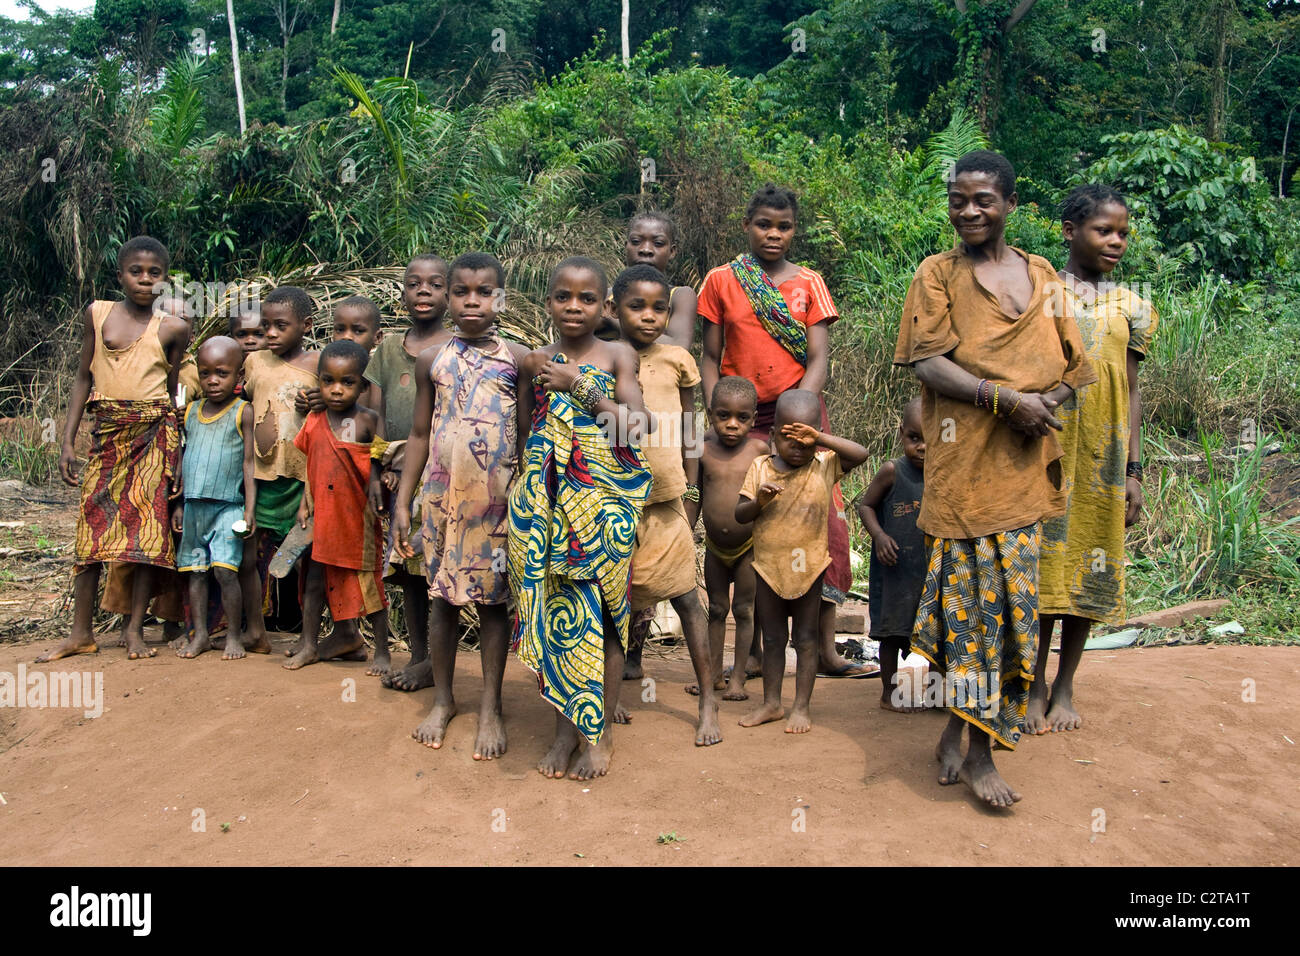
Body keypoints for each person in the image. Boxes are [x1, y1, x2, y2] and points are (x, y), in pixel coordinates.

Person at [893, 150, 1096, 807]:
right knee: (972, 616)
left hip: (1023, 473)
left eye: (983, 200)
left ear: (1011, 203)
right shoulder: (936, 275)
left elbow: (1074, 366)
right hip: (962, 475)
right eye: (958, 200)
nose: (969, 211)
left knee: (1009, 613)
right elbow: (928, 362)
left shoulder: (1041, 274)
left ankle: (962, 734)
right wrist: (1006, 401)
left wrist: (1046, 407)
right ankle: (979, 753)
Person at [697, 183, 866, 678]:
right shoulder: (722, 281)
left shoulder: (809, 283)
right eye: (764, 224)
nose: (774, 234)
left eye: (784, 226)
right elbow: (710, 357)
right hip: (740, 416)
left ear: (795, 230)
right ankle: (754, 653)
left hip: (799, 413)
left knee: (822, 517)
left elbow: (818, 359)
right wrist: (722, 412)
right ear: (747, 224)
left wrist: (801, 416)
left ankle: (826, 646)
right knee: (756, 513)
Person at [509, 256, 652, 781]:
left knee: (607, 613)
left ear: (605, 306)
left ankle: (601, 732)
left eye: (587, 298)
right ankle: (564, 731)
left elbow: (636, 428)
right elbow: (530, 438)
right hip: (546, 505)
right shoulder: (532, 362)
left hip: (606, 507)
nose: (574, 307)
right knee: (554, 615)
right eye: (562, 297)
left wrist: (581, 387)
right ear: (547, 302)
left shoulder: (618, 356)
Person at [1029, 185, 1158, 735]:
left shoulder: (1135, 307)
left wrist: (1134, 470)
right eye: (1104, 230)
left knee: (1088, 567)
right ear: (1069, 231)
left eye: (1123, 233)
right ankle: (1031, 684)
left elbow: (1130, 391)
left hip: (1104, 459)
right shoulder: (1040, 291)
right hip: (1045, 450)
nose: (1116, 242)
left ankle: (1065, 686)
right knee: (1037, 570)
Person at [393, 252, 528, 758]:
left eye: (485, 292)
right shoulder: (434, 360)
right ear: (450, 297)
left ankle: (491, 705)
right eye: (463, 292)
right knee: (443, 599)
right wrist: (404, 500)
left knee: (494, 606)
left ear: (501, 298)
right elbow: (419, 433)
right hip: (442, 503)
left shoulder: (518, 360)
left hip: (497, 505)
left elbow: (528, 434)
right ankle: (445, 699)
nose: (473, 301)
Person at [38, 236, 188, 663]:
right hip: (106, 435)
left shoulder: (173, 328)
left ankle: (135, 630)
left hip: (154, 436)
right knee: (89, 535)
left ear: (165, 278)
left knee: (144, 535)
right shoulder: (98, 313)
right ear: (120, 275)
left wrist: (176, 454)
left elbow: (173, 391)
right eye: (135, 271)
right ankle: (80, 633)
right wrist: (68, 439)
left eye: (154, 273)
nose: (144, 279)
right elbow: (84, 376)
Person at [609, 264, 721, 746]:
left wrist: (692, 492)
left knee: (687, 599)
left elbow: (692, 431)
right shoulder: (605, 359)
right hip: (614, 502)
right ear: (614, 310)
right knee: (611, 603)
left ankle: (708, 702)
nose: (649, 317)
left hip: (668, 500)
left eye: (660, 308)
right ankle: (608, 693)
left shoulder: (678, 359)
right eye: (637, 306)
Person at [736, 389, 869, 733]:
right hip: (768, 570)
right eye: (789, 436)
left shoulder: (824, 465)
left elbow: (862, 454)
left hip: (810, 571)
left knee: (807, 639)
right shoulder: (760, 467)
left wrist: (821, 438)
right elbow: (740, 514)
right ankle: (771, 703)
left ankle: (801, 706)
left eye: (807, 437)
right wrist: (760, 501)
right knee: (775, 639)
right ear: (773, 434)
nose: (798, 445)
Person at [371, 254, 452, 693]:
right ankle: (420, 658)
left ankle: (436, 662)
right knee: (410, 572)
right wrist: (380, 467)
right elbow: (374, 412)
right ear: (401, 293)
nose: (423, 291)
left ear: (449, 294)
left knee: (440, 570)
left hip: (445, 477)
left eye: (435, 284)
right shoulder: (386, 350)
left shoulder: (458, 348)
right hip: (398, 477)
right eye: (414, 284)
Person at [284, 340, 388, 670]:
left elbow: (382, 457)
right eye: (328, 381)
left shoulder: (369, 420)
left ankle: (382, 650)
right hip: (322, 518)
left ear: (362, 385)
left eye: (348, 382)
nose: (337, 390)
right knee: (314, 582)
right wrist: (304, 503)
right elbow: (311, 465)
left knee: (369, 586)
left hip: (356, 519)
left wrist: (375, 479)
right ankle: (310, 644)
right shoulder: (314, 419)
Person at [241, 286, 320, 654]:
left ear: (305, 326)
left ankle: (307, 632)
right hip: (261, 474)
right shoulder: (255, 362)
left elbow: (344, 400)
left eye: (280, 326)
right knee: (252, 552)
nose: (270, 333)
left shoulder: (319, 365)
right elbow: (243, 407)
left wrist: (318, 401)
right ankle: (255, 628)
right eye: (266, 325)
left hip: (303, 477)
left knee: (307, 556)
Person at [173, 336, 262, 659]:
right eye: (206, 373)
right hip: (194, 507)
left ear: (239, 377)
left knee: (226, 572)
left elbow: (248, 464)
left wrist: (249, 510)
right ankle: (200, 636)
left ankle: (235, 636)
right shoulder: (190, 413)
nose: (213, 381)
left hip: (228, 508)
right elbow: (184, 459)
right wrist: (180, 505)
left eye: (222, 373)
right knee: (196, 572)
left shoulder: (243, 412)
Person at [854, 397, 927, 712]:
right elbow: (865, 505)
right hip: (895, 570)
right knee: (891, 633)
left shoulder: (945, 473)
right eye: (914, 438)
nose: (922, 447)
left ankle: (936, 695)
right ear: (901, 434)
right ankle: (889, 692)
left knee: (936, 634)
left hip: (930, 571)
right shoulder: (892, 471)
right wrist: (880, 536)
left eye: (931, 438)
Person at [697, 376, 767, 701]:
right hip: (714, 547)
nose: (732, 425)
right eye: (723, 416)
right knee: (715, 608)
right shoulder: (702, 449)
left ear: (754, 419)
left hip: (748, 547)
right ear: (710, 413)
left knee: (743, 610)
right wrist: (685, 528)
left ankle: (738, 677)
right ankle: (712, 675)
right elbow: (696, 494)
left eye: (742, 418)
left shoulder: (759, 450)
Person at [597, 210, 697, 349]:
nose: (645, 249)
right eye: (636, 241)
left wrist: (611, 320)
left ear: (672, 251)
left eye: (658, 243)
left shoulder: (680, 296)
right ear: (626, 246)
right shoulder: (606, 295)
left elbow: (679, 346)